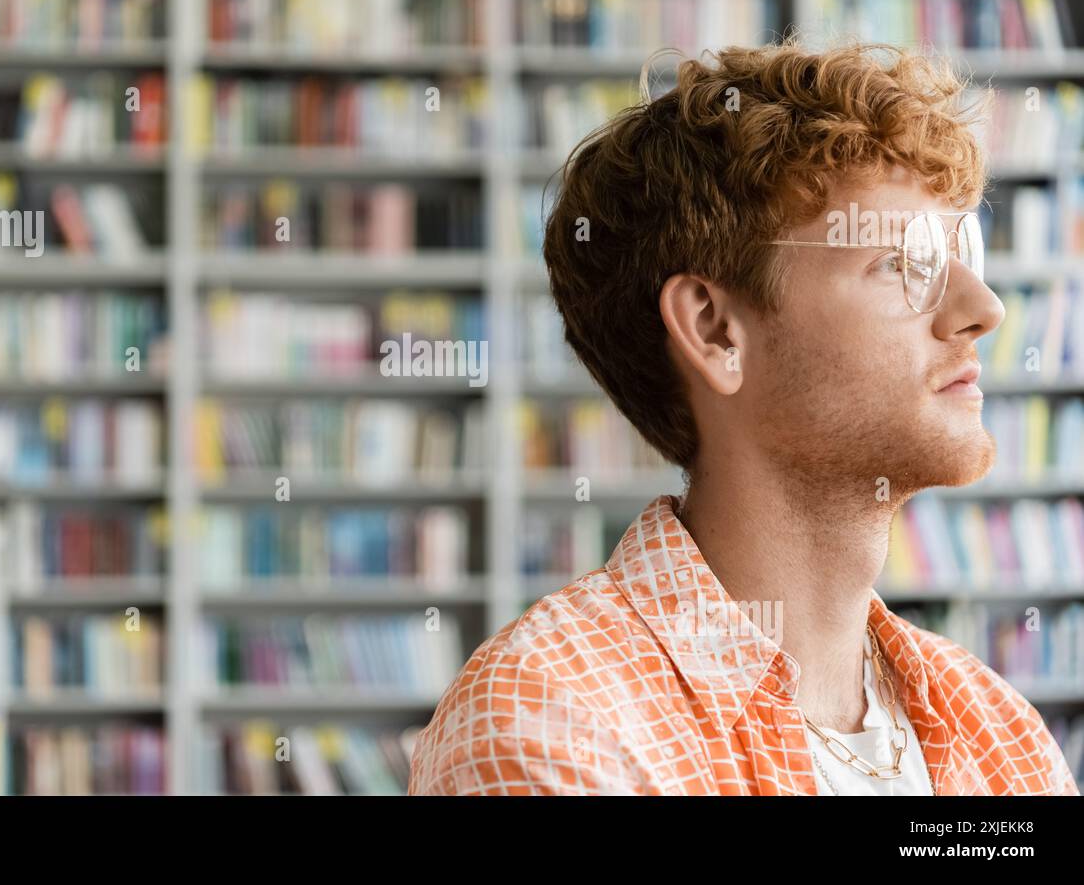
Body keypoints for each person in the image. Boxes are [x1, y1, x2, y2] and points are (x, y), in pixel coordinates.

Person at [407, 40, 1080, 795]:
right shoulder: (551, 721)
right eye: (901, 260)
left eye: (964, 250)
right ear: (716, 331)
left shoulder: (1002, 732)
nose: (983, 310)